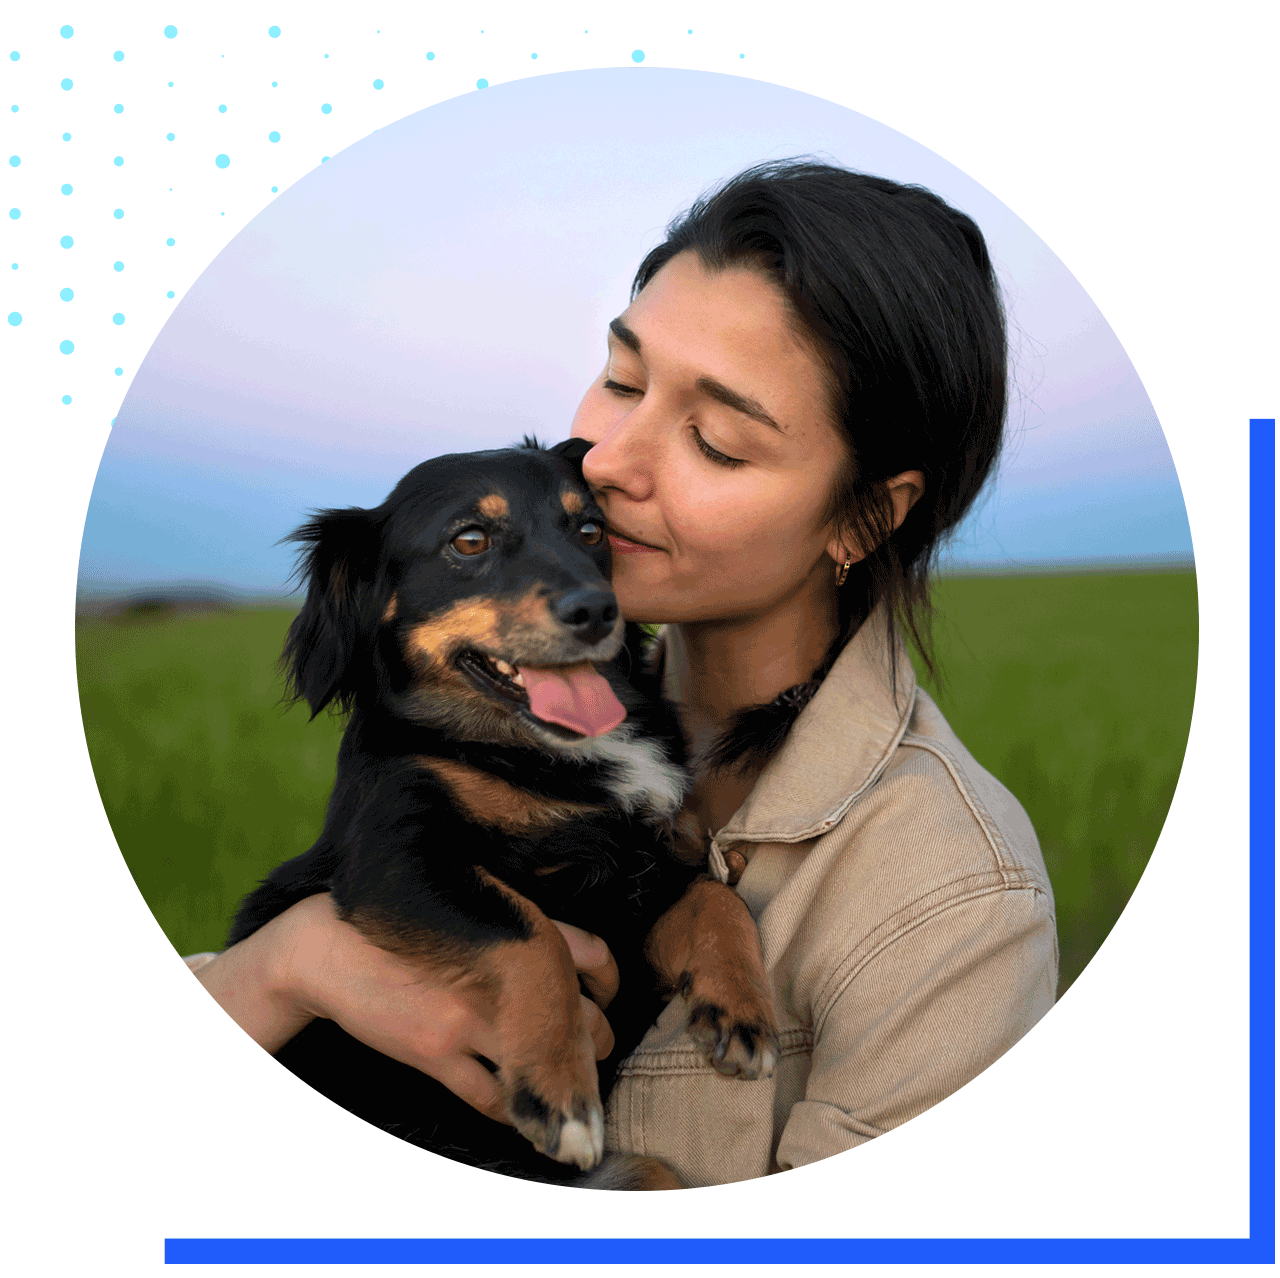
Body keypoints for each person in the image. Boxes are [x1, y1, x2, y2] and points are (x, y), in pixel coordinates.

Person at [191, 159, 1057, 1188]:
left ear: (863, 517)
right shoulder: (501, 710)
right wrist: (281, 972)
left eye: (716, 442)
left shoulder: (953, 905)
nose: (605, 462)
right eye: (621, 380)